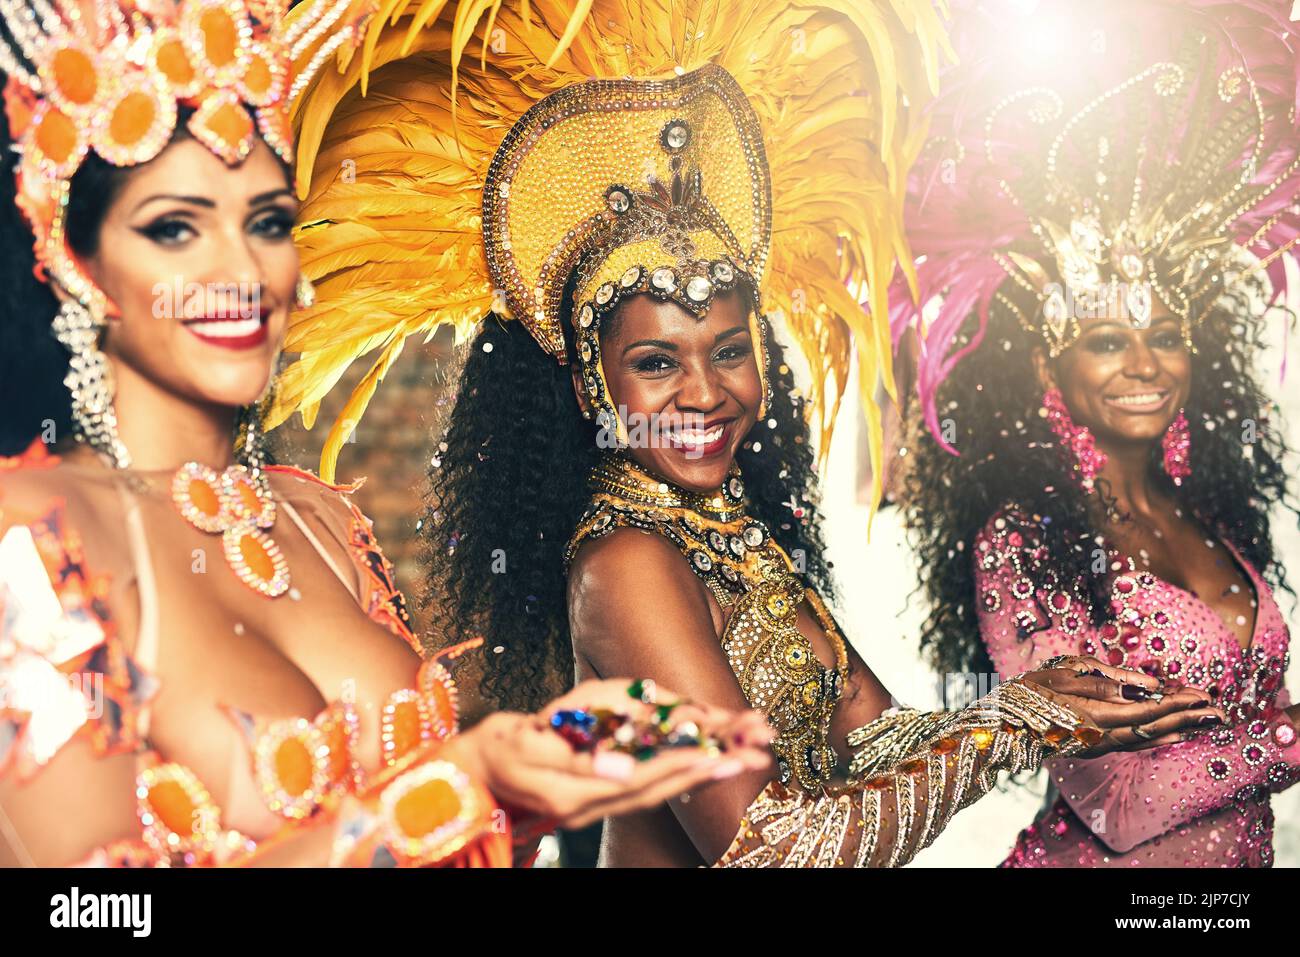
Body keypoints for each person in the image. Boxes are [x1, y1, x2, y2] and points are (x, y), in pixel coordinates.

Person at [275, 0, 1215, 867]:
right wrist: (1009, 731)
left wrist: (1029, 700)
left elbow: (874, 741)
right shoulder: (627, 562)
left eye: (730, 351)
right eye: (656, 362)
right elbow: (773, 846)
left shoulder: (728, 531)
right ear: (585, 379)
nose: (705, 391)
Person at [0, 0, 776, 868]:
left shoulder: (321, 525)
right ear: (78, 257)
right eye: (176, 228)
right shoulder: (29, 532)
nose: (241, 270)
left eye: (266, 222)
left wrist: (522, 781)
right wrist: (460, 785)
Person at [895, 0, 1300, 865]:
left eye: (1165, 337)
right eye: (1108, 340)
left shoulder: (1213, 514)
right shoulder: (1023, 539)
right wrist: (1290, 737)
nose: (1144, 365)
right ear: (1053, 368)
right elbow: (1117, 800)